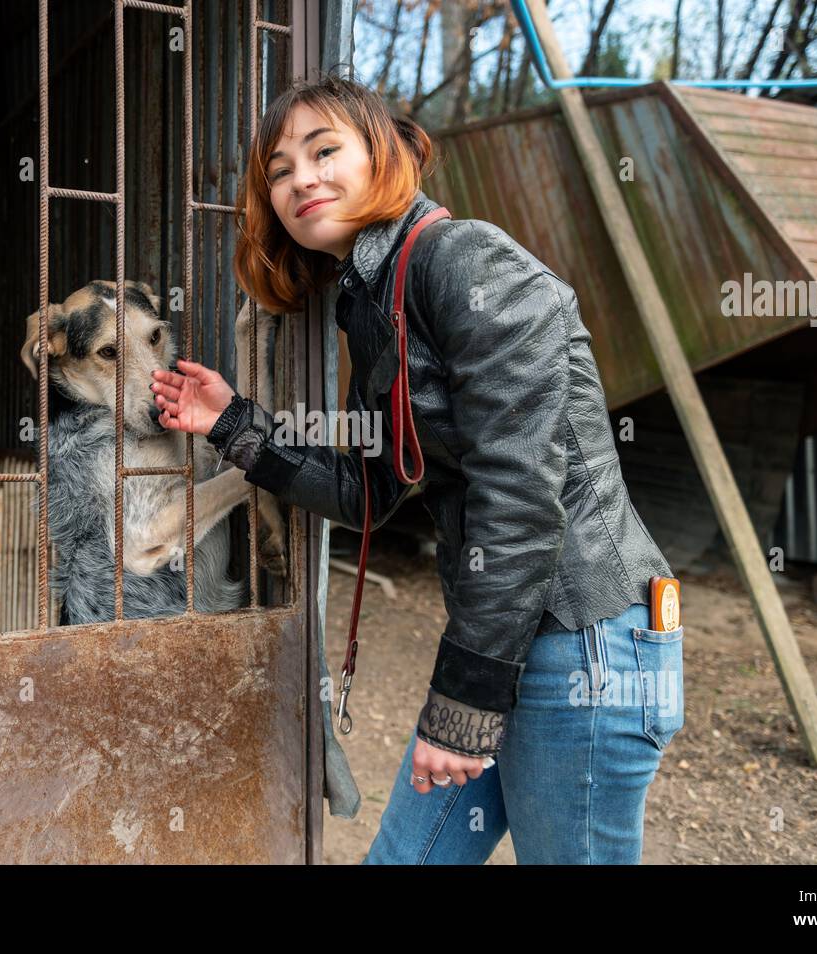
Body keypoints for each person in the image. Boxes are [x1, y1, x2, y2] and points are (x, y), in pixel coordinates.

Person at [149, 72, 684, 864]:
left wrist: (463, 700)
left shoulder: (464, 260)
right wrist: (233, 425)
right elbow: (371, 494)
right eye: (280, 170)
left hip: (587, 645)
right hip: (510, 639)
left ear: (384, 156)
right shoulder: (374, 302)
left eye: (325, 150)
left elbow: (523, 499)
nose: (302, 178)